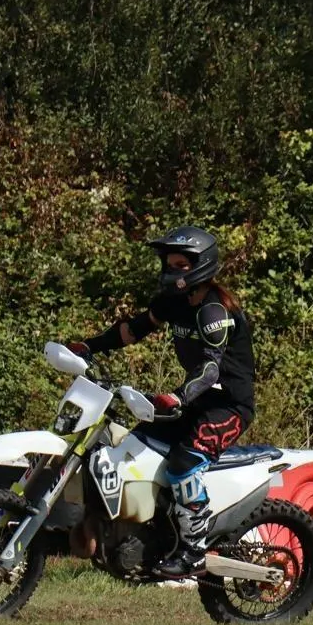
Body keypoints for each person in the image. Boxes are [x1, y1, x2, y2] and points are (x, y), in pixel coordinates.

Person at [67, 225, 256, 577]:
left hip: (228, 406)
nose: (172, 271)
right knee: (141, 443)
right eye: (169, 264)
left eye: (180, 265)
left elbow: (211, 371)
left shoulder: (214, 311)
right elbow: (131, 331)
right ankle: (150, 535)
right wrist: (89, 345)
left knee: (183, 464)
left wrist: (177, 396)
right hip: (195, 402)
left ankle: (194, 551)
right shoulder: (174, 303)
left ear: (201, 266)